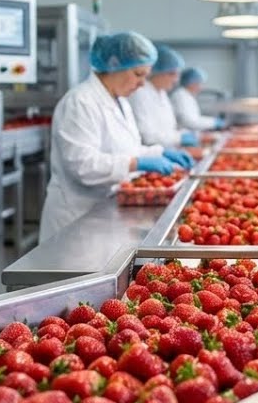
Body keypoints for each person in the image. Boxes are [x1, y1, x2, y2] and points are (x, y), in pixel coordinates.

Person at [39, 32, 193, 245]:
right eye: (138, 74)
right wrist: (136, 163)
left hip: (106, 210)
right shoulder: (80, 103)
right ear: (114, 65)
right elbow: (82, 164)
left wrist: (159, 152)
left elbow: (129, 148)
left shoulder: (120, 101)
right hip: (77, 217)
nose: (142, 84)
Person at [129, 44, 199, 149]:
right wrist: (179, 138)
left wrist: (182, 135)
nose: (176, 80)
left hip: (168, 149)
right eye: (172, 74)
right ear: (156, 72)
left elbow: (169, 127)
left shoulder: (162, 93)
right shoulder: (139, 93)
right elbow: (147, 136)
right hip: (152, 154)